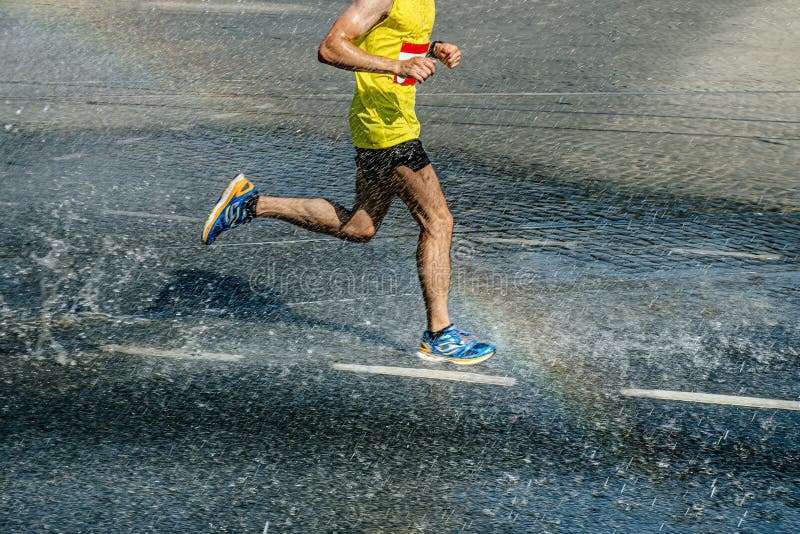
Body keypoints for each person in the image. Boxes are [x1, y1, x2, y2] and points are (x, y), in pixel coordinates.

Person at [201, 0, 495, 365]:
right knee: (439, 222)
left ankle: (250, 203)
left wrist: (434, 48)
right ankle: (439, 334)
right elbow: (331, 47)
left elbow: (389, 37)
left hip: (386, 127)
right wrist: (398, 66)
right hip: (387, 130)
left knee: (360, 227)